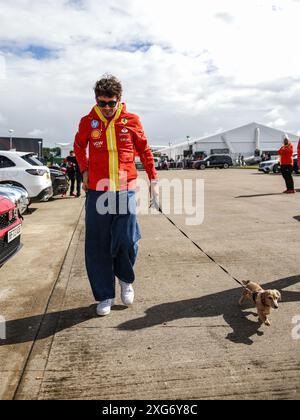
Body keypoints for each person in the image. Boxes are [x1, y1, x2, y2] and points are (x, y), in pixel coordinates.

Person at [74, 74, 158, 317]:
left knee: (127, 238)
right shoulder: (88, 121)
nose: (108, 108)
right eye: (103, 103)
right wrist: (85, 169)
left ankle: (125, 279)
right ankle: (104, 295)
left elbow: (144, 149)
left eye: (112, 103)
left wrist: (153, 179)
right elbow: (79, 146)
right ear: (96, 101)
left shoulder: (131, 120)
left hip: (125, 188)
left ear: (119, 100)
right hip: (98, 192)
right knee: (97, 244)